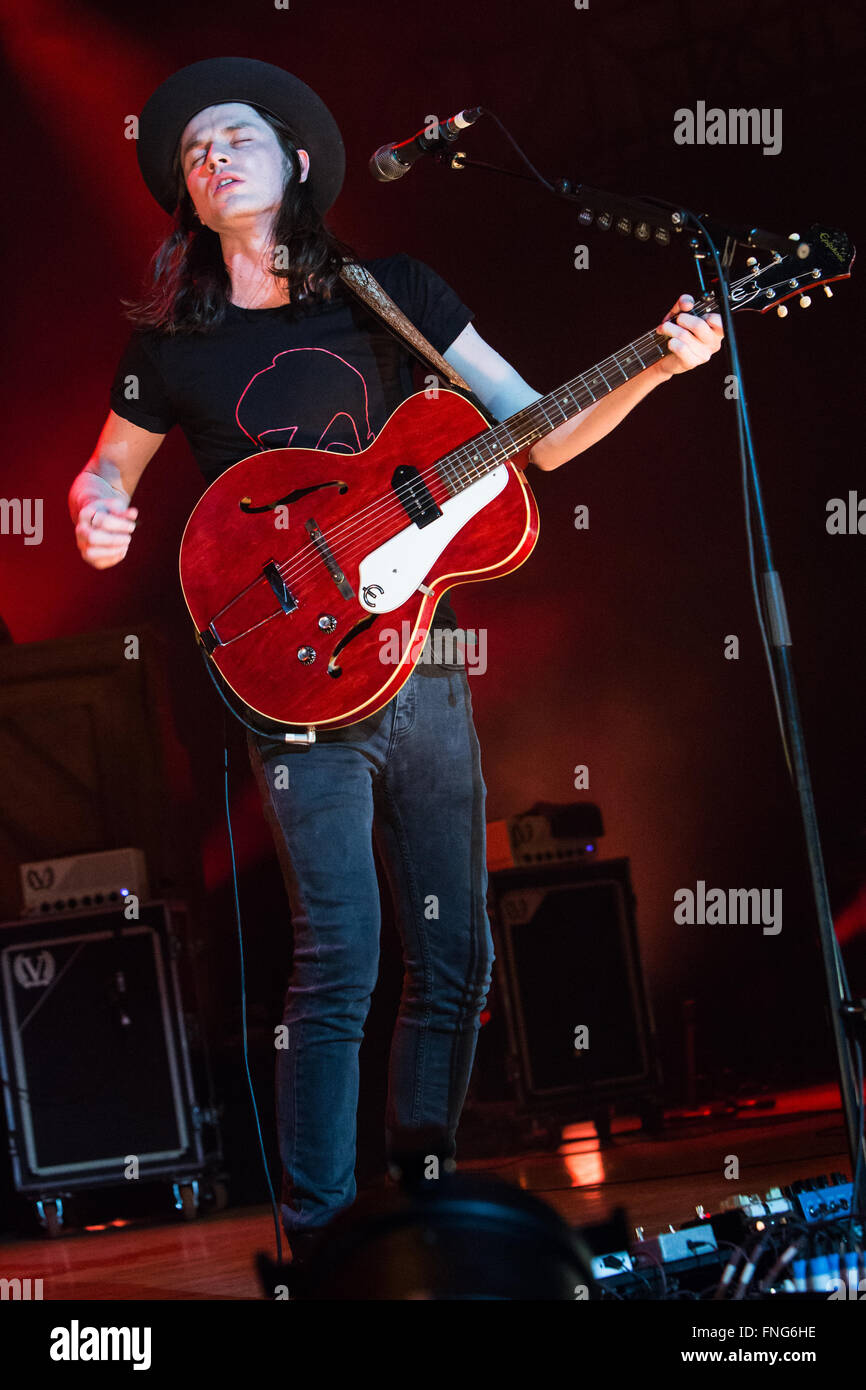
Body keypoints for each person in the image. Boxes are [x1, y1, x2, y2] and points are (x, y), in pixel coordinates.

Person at [68, 58, 723, 1262]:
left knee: (456, 953)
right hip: (291, 676)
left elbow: (541, 433)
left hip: (416, 663)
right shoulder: (176, 339)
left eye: (235, 136)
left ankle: (417, 1206)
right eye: (192, 150)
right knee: (340, 955)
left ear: (297, 162)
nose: (210, 155)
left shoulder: (393, 293)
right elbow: (109, 466)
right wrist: (95, 501)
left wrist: (657, 366)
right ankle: (321, 1244)